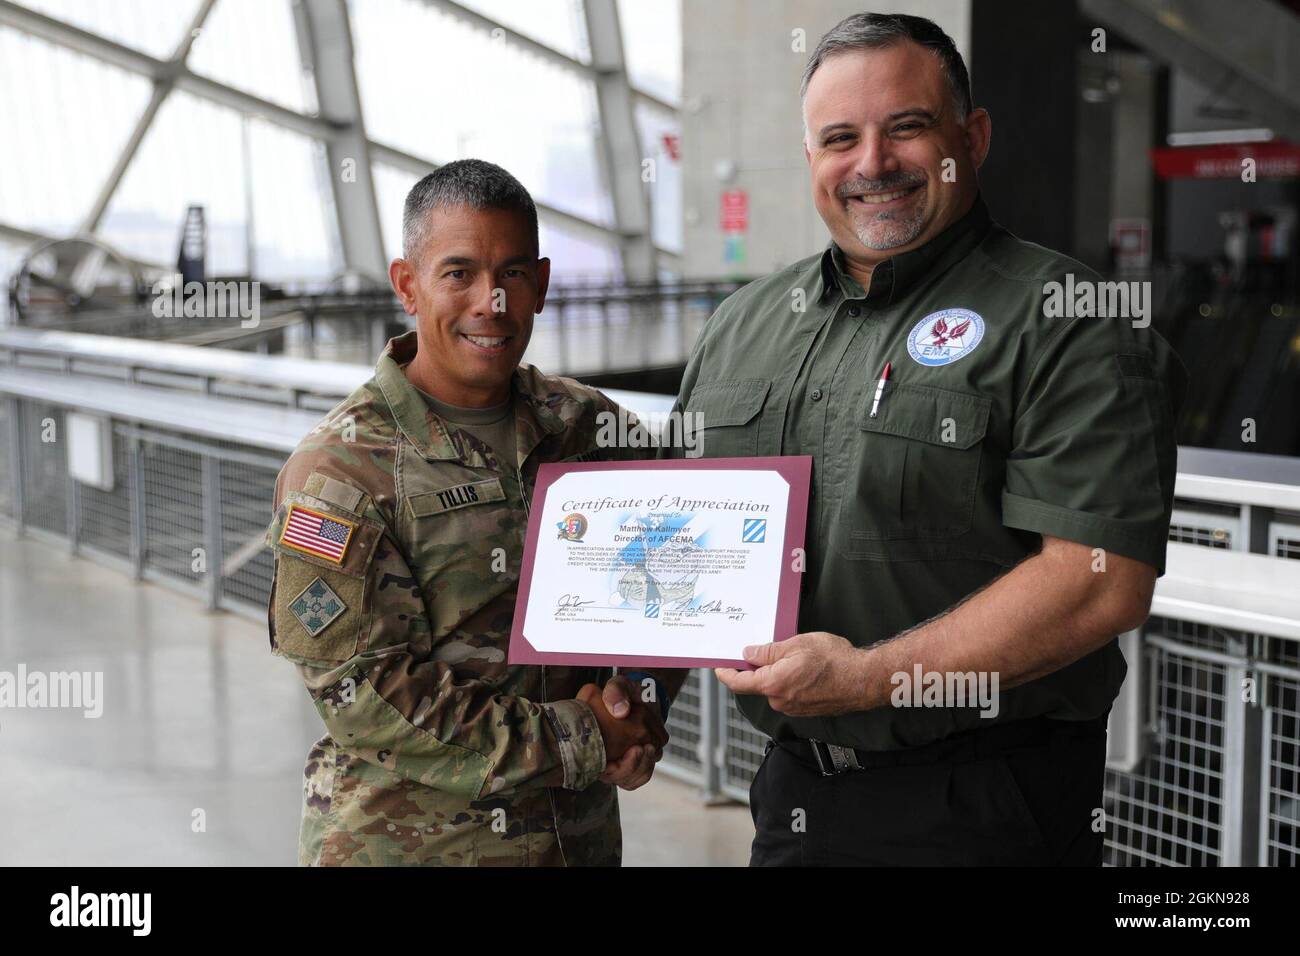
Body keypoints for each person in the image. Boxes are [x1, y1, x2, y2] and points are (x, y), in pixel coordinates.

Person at [673, 13, 1187, 865]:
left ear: (971, 138)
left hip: (986, 809)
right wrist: (632, 692)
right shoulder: (742, 325)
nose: (872, 163)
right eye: (840, 137)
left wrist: (867, 678)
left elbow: (1099, 585)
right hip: (793, 798)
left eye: (905, 127)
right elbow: (681, 537)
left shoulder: (1070, 323)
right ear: (811, 161)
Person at [265, 159, 673, 866]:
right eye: (459, 274)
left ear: (541, 286)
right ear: (407, 285)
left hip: (571, 846)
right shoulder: (338, 472)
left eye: (513, 273)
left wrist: (636, 711)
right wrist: (584, 738)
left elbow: (680, 575)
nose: (492, 301)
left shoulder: (589, 428)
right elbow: (366, 695)